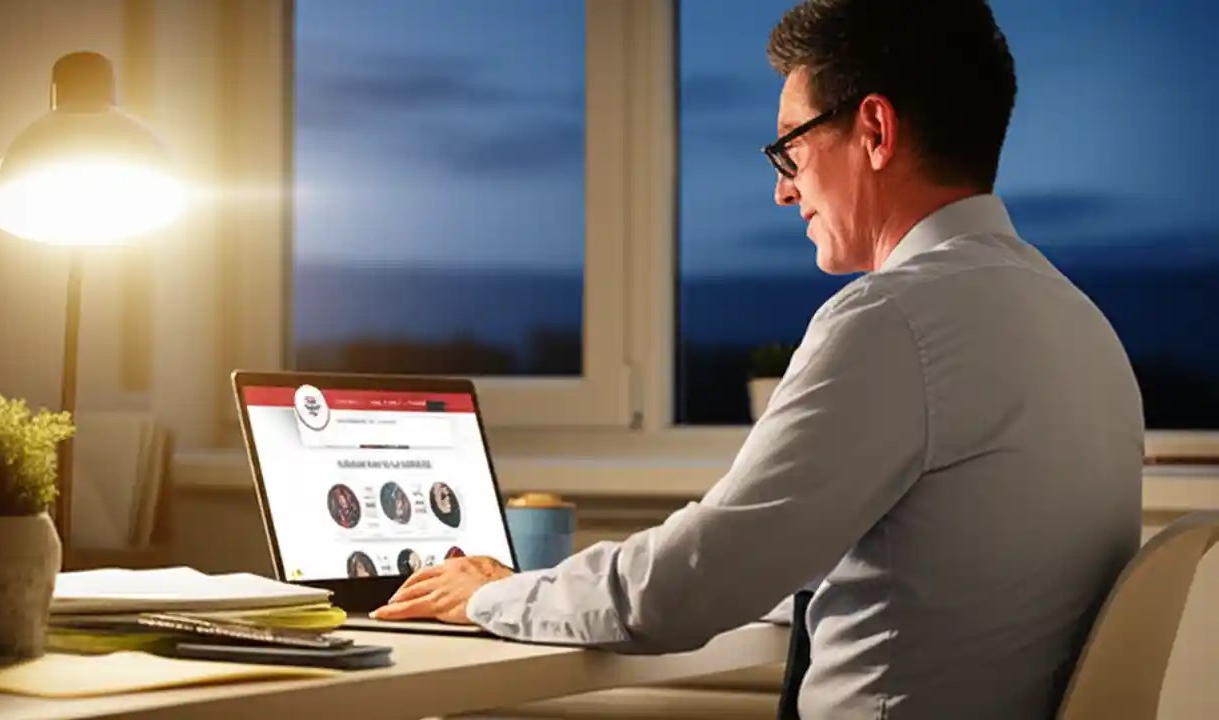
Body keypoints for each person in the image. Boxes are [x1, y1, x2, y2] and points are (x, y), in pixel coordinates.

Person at [372, 1, 1144, 717]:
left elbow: (688, 587)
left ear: (875, 130)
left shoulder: (892, 321)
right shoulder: (1082, 326)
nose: (783, 192)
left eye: (790, 149)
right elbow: (921, 567)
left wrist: (491, 595)